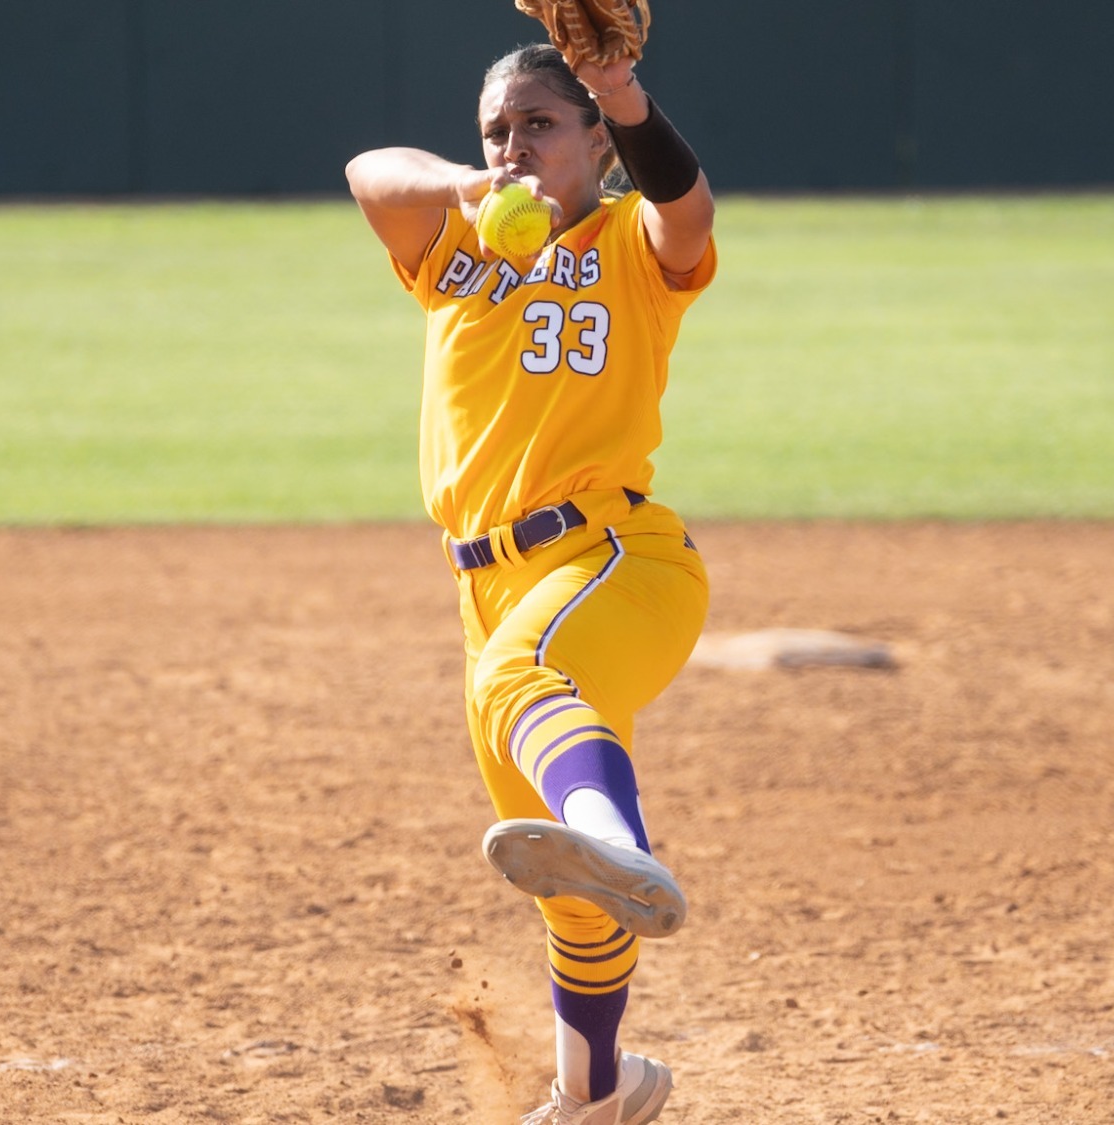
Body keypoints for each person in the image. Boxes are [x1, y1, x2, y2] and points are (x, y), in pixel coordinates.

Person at [345, 38, 716, 1125]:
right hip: (485, 591)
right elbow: (370, 174)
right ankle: (595, 1094)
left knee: (527, 689)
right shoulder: (452, 249)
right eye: (495, 129)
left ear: (597, 143)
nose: (511, 146)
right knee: (568, 893)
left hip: (609, 562)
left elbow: (686, 210)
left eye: (538, 126)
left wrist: (621, 92)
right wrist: (474, 184)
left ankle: (616, 835)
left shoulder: (630, 247)